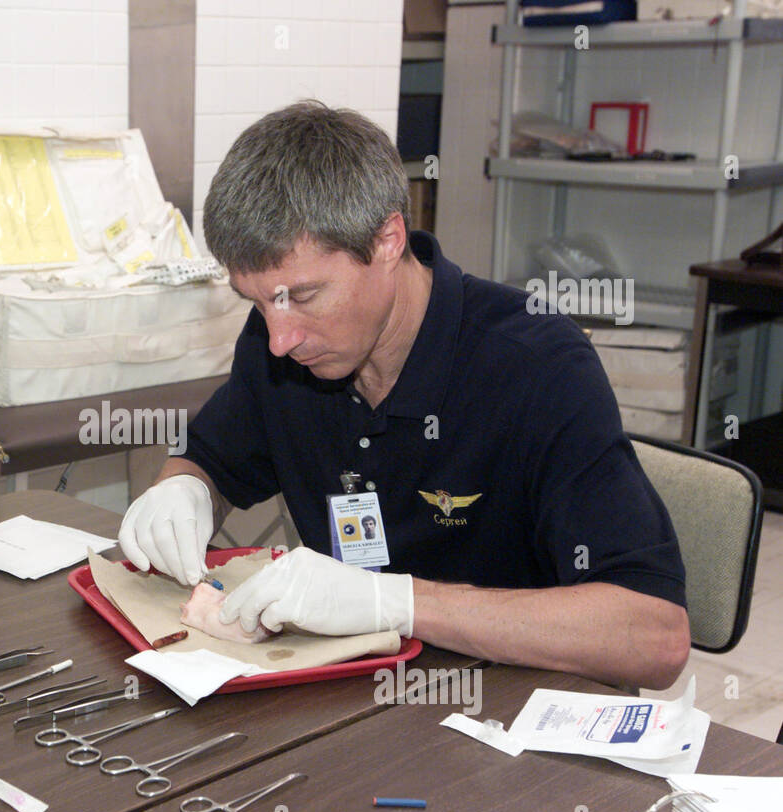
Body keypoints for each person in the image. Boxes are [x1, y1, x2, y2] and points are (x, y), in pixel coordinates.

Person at [119, 102, 689, 690]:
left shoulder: (536, 366)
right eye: (256, 303)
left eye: (304, 295)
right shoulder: (282, 344)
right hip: (356, 703)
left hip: (514, 715)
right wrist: (184, 492)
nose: (281, 338)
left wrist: (397, 603)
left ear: (388, 239)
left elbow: (655, 635)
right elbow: (211, 461)